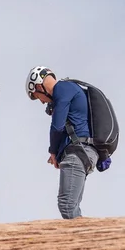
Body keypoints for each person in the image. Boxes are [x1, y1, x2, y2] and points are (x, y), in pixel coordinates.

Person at [26, 66, 98, 219]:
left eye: (38, 97)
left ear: (39, 86)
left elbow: (57, 126)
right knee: (72, 206)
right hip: (84, 151)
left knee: (67, 205)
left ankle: (82, 235)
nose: (42, 102)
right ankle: (84, 232)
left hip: (77, 152)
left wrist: (53, 152)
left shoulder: (62, 89)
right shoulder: (69, 89)